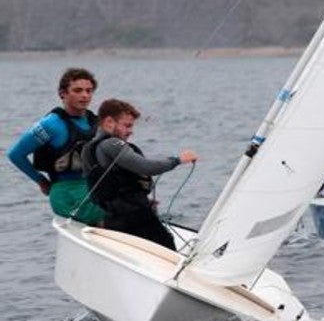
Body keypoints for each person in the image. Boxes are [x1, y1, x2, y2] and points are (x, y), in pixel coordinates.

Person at [82, 99, 197, 250]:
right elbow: (145, 167)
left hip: (114, 218)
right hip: (134, 217)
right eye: (127, 125)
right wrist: (178, 160)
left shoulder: (88, 149)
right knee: (166, 247)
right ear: (109, 122)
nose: (131, 131)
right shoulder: (111, 144)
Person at [7, 68, 106, 224]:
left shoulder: (96, 122)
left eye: (89, 91)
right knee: (113, 215)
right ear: (63, 94)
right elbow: (16, 154)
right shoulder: (51, 125)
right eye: (78, 90)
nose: (85, 95)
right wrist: (41, 181)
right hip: (66, 192)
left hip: (91, 187)